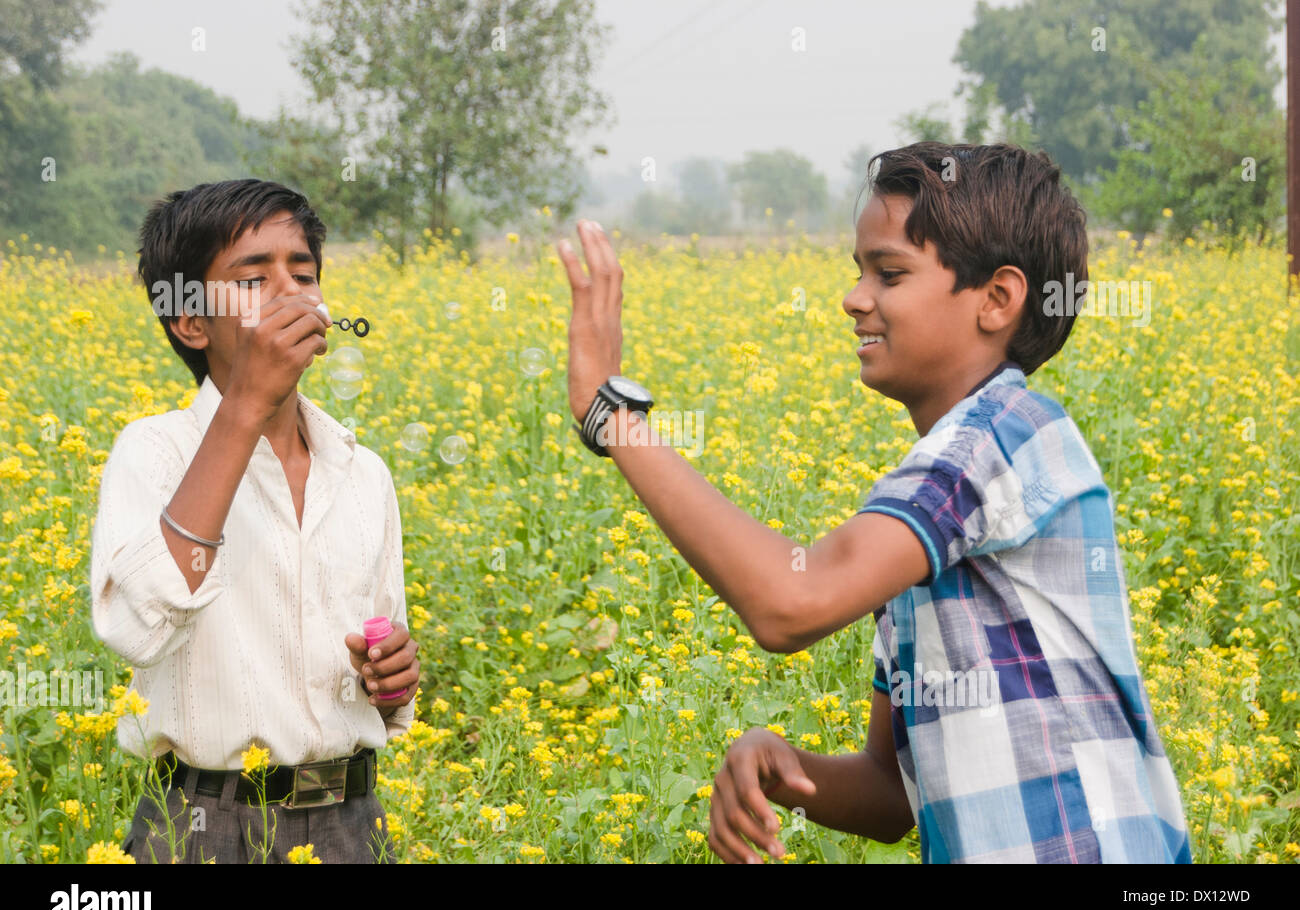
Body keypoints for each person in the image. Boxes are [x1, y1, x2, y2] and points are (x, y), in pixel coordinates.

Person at [555, 142, 1191, 864]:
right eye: (859, 272)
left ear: (998, 299)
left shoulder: (1001, 439)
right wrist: (784, 768)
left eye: (888, 273)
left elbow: (788, 603)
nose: (854, 298)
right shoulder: (928, 509)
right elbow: (892, 796)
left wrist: (612, 418)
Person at [90, 179, 420, 863]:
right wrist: (245, 406)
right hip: (203, 825)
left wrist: (392, 683)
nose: (290, 292)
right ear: (190, 321)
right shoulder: (153, 453)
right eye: (254, 277)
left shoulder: (364, 474)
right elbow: (137, 629)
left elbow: (381, 685)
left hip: (349, 823)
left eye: (303, 273)